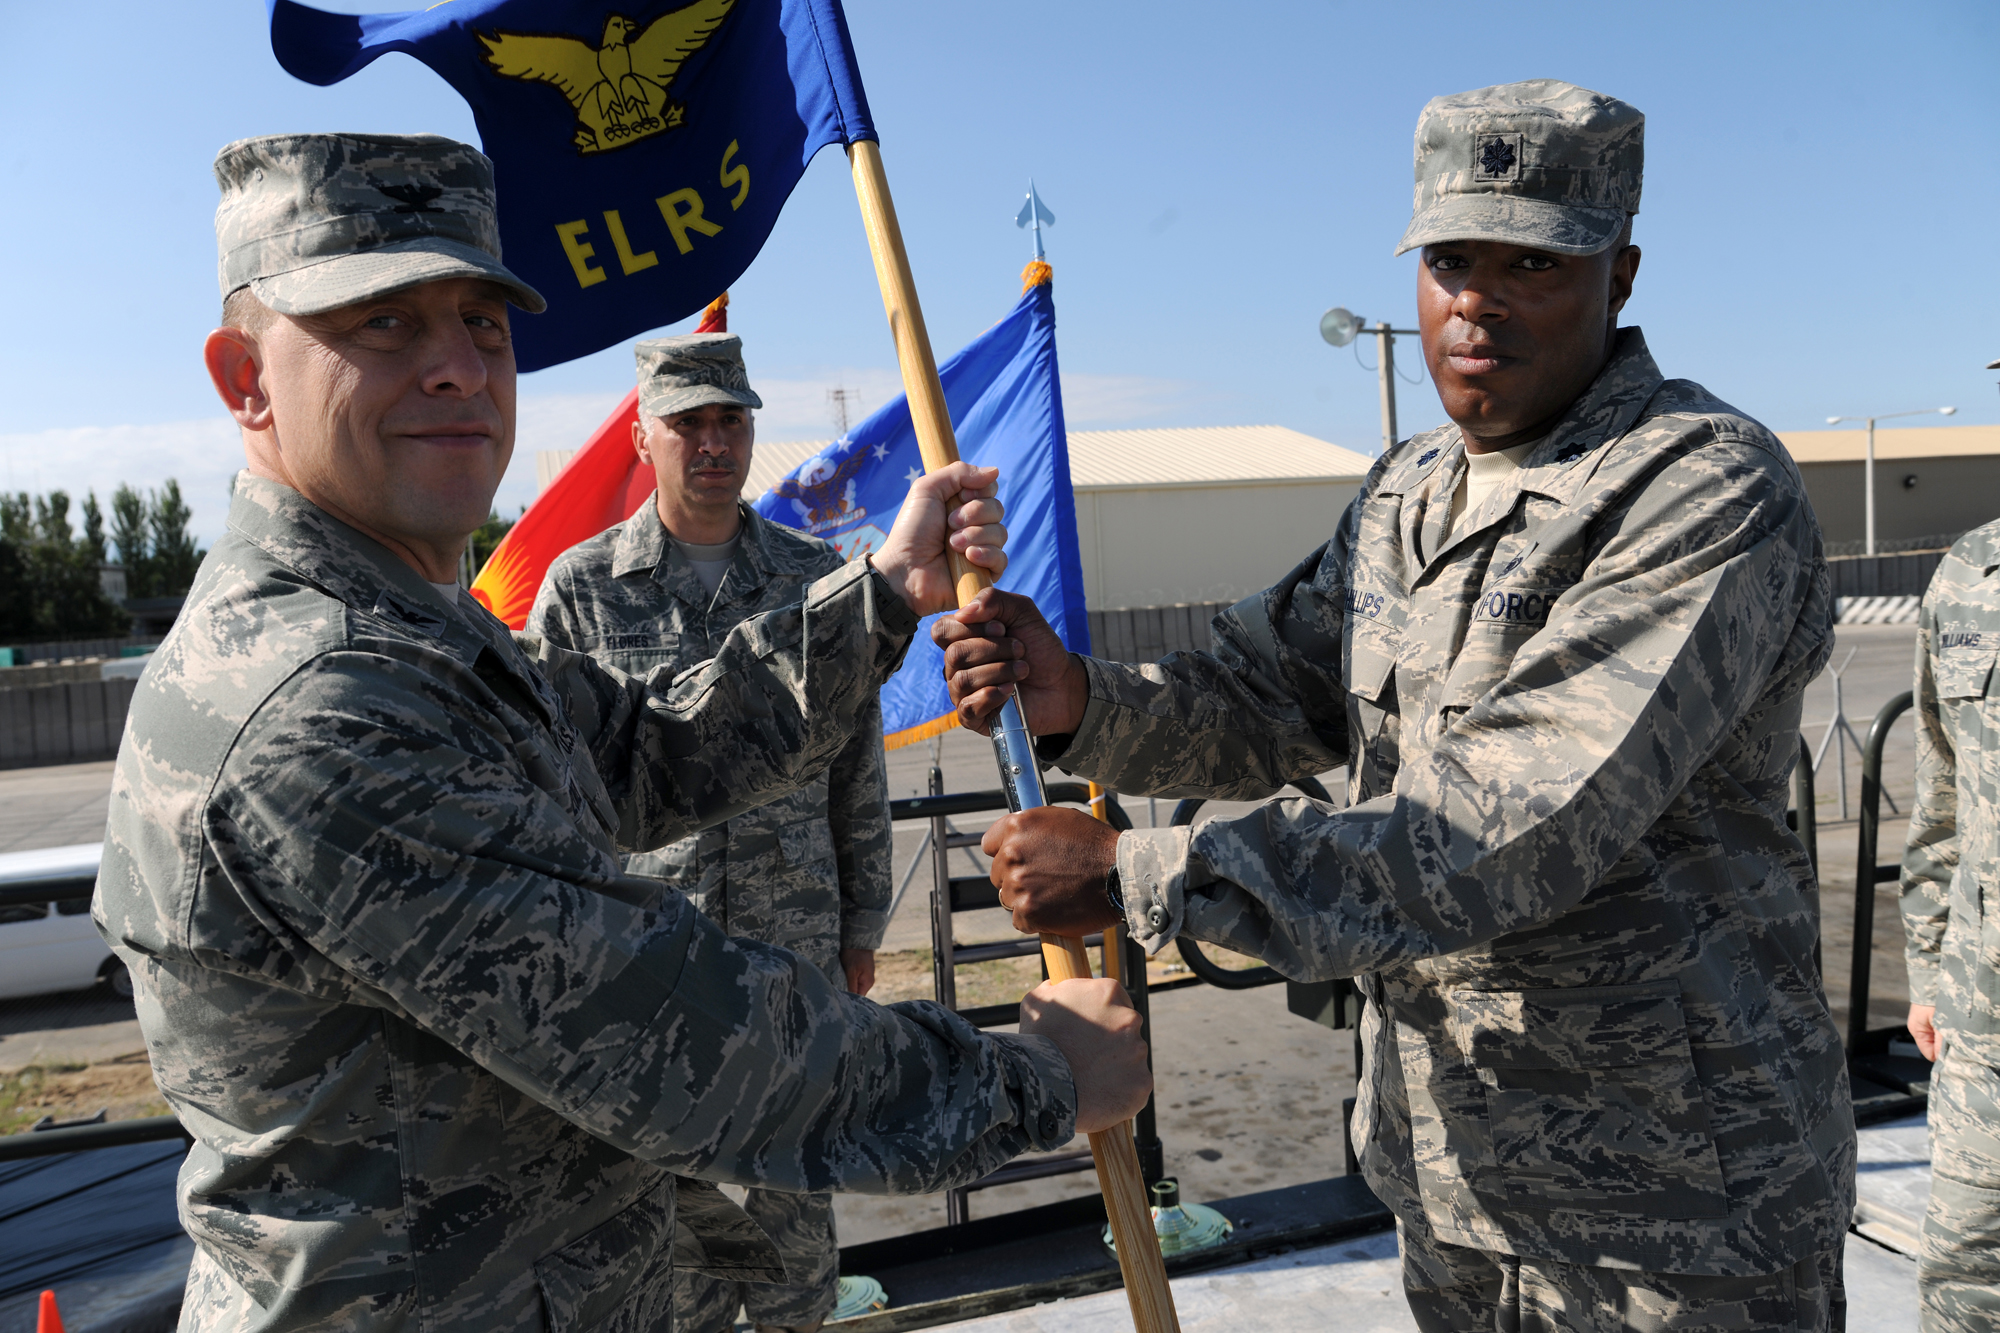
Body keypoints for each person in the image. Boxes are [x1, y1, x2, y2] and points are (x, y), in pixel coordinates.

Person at [94, 131, 1150, 1333]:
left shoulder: (413, 633)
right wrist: (1034, 1082)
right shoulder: (321, 699)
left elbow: (645, 748)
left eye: (483, 322)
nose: (456, 368)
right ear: (246, 378)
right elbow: (667, 1032)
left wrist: (881, 589)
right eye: (382, 323)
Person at [938, 81, 1852, 1330]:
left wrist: (1146, 873)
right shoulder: (1406, 493)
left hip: (1674, 1212)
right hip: (1451, 1171)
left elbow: (1513, 818)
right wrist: (1081, 697)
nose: (1473, 299)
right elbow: (1267, 689)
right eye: (1448, 259)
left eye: (1528, 260)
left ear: (1619, 275)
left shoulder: (1699, 486)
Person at [528, 333, 893, 1333]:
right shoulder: (581, 588)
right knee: (665, 1230)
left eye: (730, 418)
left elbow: (855, 766)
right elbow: (556, 792)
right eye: (688, 421)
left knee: (792, 1221)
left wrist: (860, 926)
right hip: (649, 967)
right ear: (643, 434)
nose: (713, 440)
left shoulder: (817, 584)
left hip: (792, 960)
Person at [1900, 515, 2000, 1332]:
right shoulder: (1972, 569)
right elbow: (1942, 800)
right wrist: (1929, 971)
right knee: (1968, 1275)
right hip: (1984, 1018)